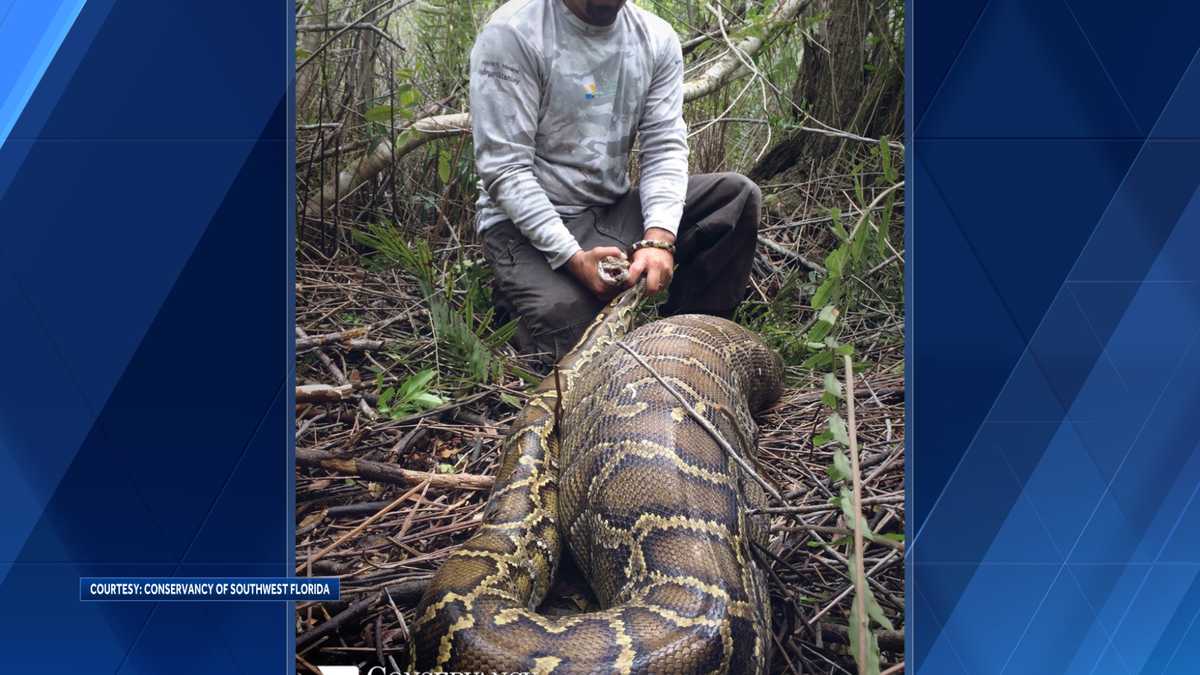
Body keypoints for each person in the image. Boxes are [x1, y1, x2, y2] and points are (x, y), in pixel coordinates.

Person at [471, 0, 761, 365]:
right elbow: (505, 168)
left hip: (608, 210)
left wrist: (659, 240)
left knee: (735, 198)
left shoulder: (655, 38)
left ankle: (692, 346)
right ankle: (522, 296)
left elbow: (664, 147)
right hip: (522, 231)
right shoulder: (513, 33)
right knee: (579, 343)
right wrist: (572, 258)